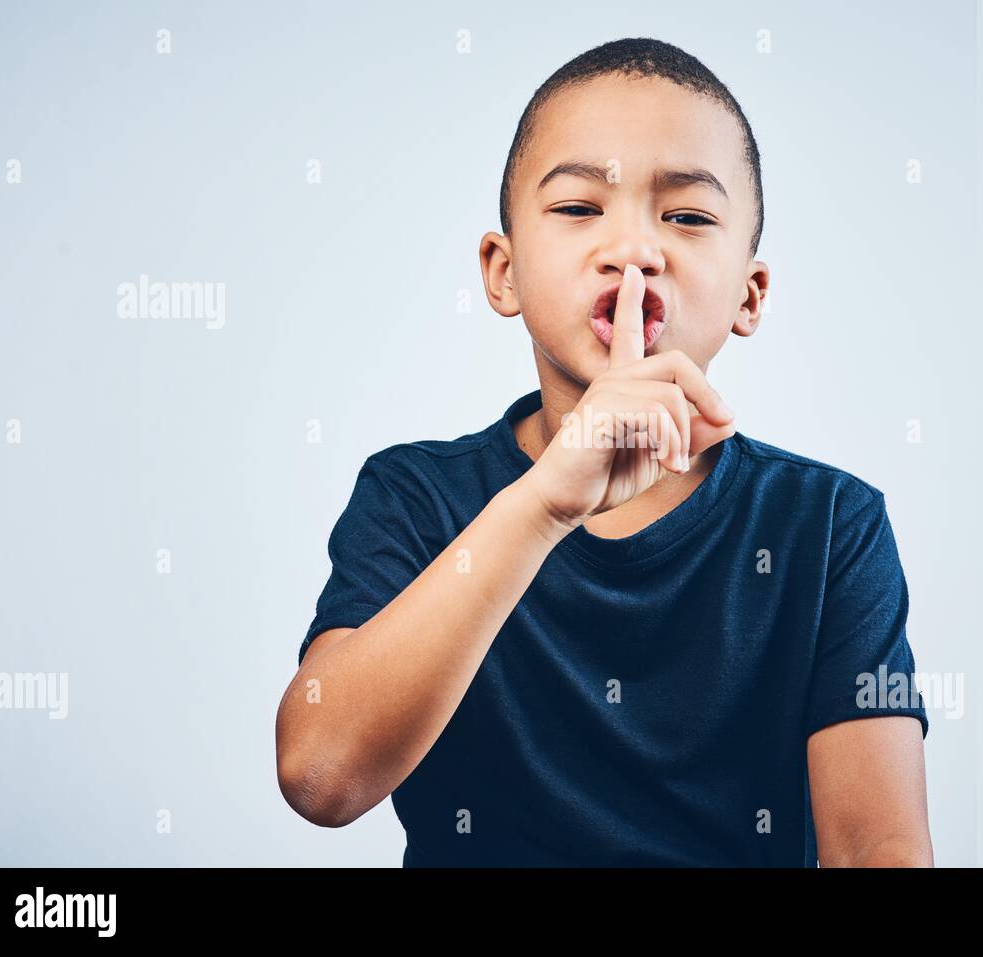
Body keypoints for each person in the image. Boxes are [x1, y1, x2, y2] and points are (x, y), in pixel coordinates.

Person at [275, 37, 932, 867]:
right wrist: (547, 500)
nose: (634, 250)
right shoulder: (413, 495)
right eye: (581, 208)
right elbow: (319, 774)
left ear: (749, 294)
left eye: (687, 216)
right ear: (502, 271)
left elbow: (880, 848)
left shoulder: (832, 524)